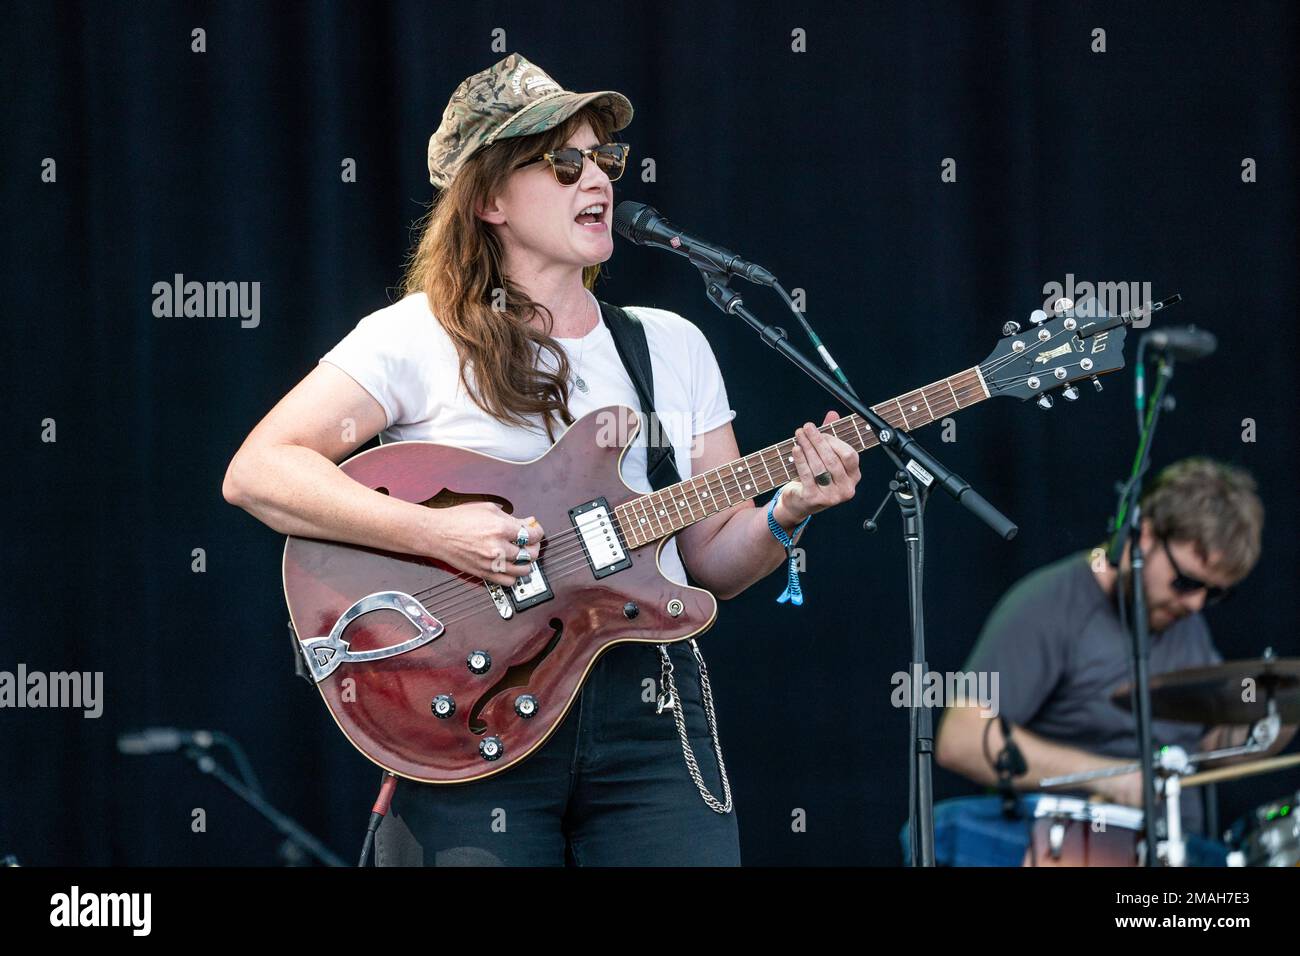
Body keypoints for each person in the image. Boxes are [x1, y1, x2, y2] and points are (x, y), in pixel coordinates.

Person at [222, 53, 861, 866]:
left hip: (647, 716)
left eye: (606, 159)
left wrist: (786, 512)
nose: (596, 178)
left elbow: (709, 562)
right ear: (488, 197)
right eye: (565, 161)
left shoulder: (670, 344)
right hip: (472, 705)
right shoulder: (416, 337)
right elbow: (260, 471)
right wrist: (440, 538)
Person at [924, 457, 1295, 865]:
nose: (1196, 603)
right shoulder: (1050, 603)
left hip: (1180, 847)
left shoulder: (1187, 623)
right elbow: (959, 739)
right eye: (1186, 581)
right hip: (1077, 848)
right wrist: (1113, 775)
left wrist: (1286, 713)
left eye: (1215, 594)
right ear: (1145, 536)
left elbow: (1211, 747)